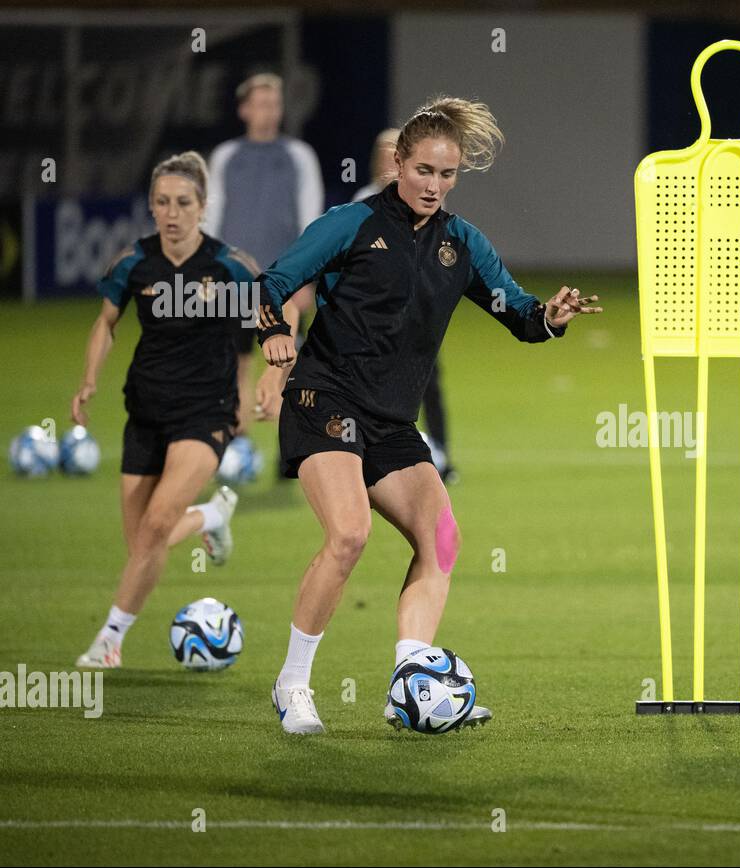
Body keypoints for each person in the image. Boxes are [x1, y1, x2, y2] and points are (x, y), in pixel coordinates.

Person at [253, 96, 602, 735]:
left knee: (441, 541)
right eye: (423, 172)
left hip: (390, 421)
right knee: (350, 534)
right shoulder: (349, 224)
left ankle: (410, 683)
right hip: (325, 399)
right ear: (398, 164)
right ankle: (292, 683)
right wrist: (274, 332)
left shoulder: (462, 244)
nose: (434, 186)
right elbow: (273, 282)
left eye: (446, 176)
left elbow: (518, 313)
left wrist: (549, 318)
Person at [71, 151, 297, 669]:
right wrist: (88, 381)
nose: (172, 213)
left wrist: (273, 373)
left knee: (154, 531)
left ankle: (108, 641)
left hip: (206, 412)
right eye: (162, 202)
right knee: (142, 547)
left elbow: (276, 311)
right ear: (151, 206)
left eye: (183, 203)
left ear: (203, 206)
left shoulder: (230, 265)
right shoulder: (133, 261)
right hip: (145, 412)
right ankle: (211, 515)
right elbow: (106, 323)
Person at [207, 73, 323, 438]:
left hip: (283, 281)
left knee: (288, 361)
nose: (268, 112)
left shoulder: (299, 155)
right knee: (235, 362)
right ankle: (236, 439)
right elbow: (212, 215)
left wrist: (307, 276)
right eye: (260, 104)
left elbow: (311, 218)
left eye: (273, 104)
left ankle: (290, 442)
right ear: (244, 110)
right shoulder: (226, 156)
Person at [352, 127, 459, 483]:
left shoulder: (433, 205)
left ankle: (441, 452)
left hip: (417, 315)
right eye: (383, 152)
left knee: (428, 380)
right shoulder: (362, 204)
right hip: (373, 322)